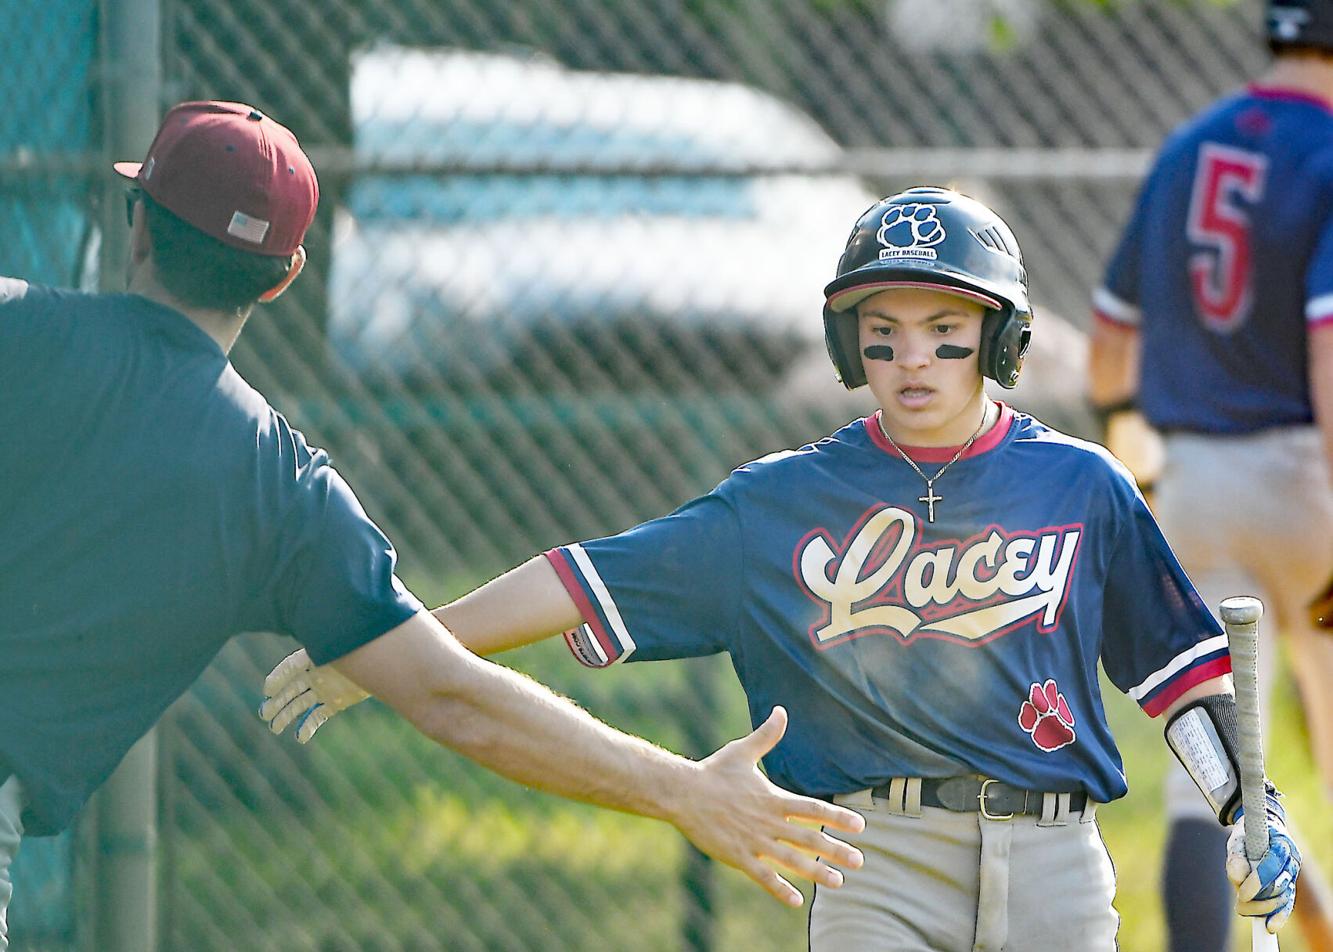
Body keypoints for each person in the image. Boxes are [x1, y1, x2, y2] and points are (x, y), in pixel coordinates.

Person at [265, 186, 1302, 950]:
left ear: (1001, 341)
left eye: (946, 334)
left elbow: (1186, 680)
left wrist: (1248, 809)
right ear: (848, 347)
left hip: (1053, 869)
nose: (911, 363)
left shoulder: (1082, 487)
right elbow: (577, 579)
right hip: (873, 862)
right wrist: (387, 651)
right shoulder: (781, 502)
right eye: (882, 335)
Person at [0, 100, 869, 949]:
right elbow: (456, 699)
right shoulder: (281, 491)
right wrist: (678, 788)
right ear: (283, 275)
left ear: (138, 225)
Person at [1088, 1, 1333, 948]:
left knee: (1221, 758)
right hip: (1308, 485)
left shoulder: (1187, 147)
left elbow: (1110, 350)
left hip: (1191, 484)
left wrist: (1144, 465)